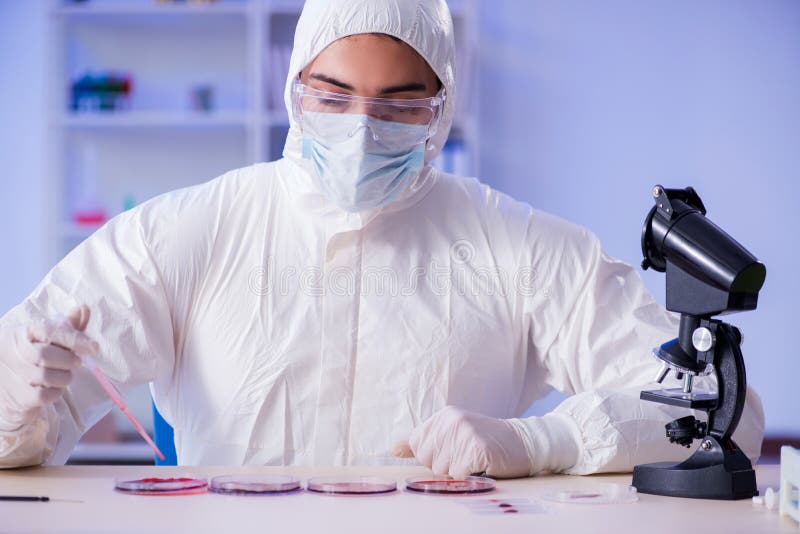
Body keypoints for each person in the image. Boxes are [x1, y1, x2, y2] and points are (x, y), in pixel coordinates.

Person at [0, 0, 763, 476]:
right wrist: (13, 396)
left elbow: (726, 409)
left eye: (400, 105)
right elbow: (29, 425)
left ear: (443, 107)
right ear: (293, 90)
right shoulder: (187, 231)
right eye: (334, 96)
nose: (363, 131)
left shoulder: (519, 246)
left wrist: (541, 443)